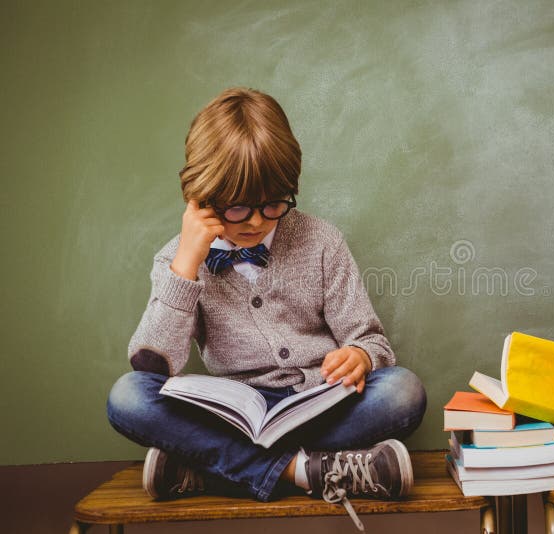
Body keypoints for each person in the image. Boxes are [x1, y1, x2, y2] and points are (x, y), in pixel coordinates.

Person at [107, 87, 426, 531]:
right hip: (235, 420)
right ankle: (307, 472)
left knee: (403, 391)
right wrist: (187, 265)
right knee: (126, 396)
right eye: (238, 207)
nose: (257, 221)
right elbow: (153, 366)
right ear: (202, 197)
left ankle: (207, 469)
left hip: (316, 407)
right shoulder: (178, 259)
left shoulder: (320, 241)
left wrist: (360, 357)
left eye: (274, 203)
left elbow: (371, 341)